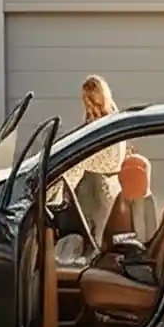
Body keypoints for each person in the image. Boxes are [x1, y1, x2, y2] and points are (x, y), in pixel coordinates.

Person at [59, 75, 127, 242]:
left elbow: (82, 159)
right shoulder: (112, 115)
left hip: (98, 186)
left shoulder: (102, 123)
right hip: (107, 184)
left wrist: (63, 191)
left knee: (96, 237)